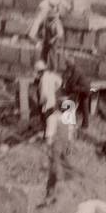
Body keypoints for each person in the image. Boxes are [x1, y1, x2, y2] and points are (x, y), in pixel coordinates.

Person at [36, 59, 69, 202]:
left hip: (47, 104)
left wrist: (41, 102)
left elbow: (43, 95)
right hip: (53, 101)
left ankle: (58, 184)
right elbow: (60, 82)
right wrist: (55, 92)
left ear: (39, 71)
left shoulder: (43, 80)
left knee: (47, 120)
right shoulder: (51, 75)